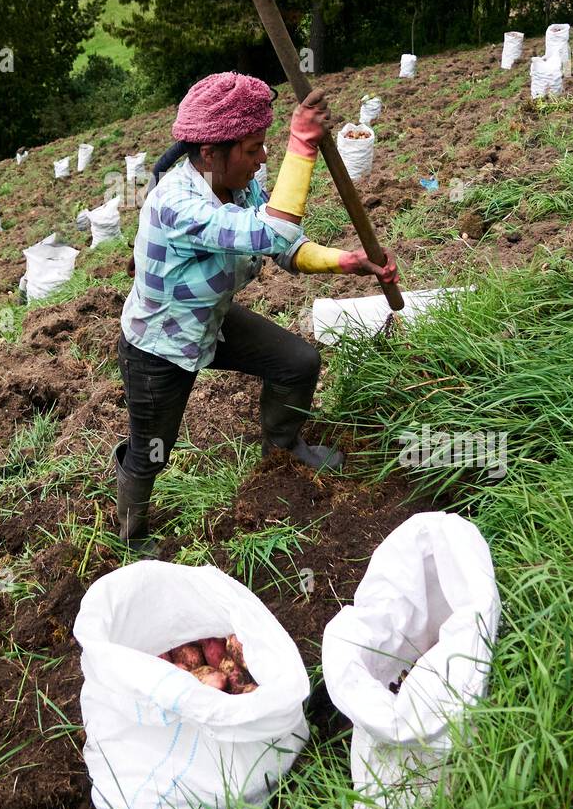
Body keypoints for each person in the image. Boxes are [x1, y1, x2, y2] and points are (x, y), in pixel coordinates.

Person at [114, 71, 398, 551]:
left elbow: (285, 249)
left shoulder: (238, 187)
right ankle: (130, 535)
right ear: (210, 152)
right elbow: (274, 232)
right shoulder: (176, 204)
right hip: (159, 346)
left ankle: (281, 452)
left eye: (266, 145)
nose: (263, 157)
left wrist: (348, 262)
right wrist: (303, 142)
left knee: (297, 363)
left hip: (210, 322)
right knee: (151, 453)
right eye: (253, 148)